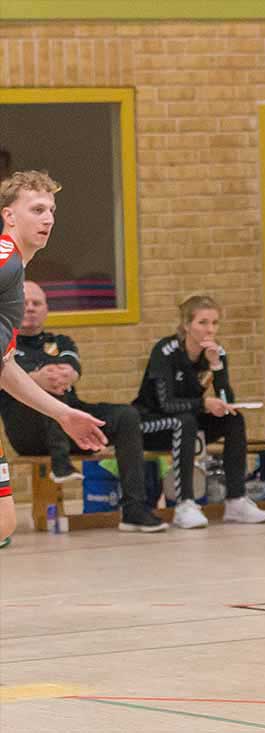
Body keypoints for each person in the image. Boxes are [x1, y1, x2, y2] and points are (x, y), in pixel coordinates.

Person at [0, 281, 167, 532]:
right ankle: (60, 464)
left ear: (47, 309)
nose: (30, 308)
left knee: (126, 416)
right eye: (24, 303)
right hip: (28, 430)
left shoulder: (61, 341)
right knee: (51, 394)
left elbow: (73, 367)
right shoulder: (5, 344)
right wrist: (36, 380)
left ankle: (134, 509)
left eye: (37, 303)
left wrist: (65, 376)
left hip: (69, 424)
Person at [0, 171, 108, 541]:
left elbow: (5, 370)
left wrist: (63, 414)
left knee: (3, 523)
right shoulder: (6, 259)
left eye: (52, 210)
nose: (48, 218)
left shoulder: (16, 271)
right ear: (9, 216)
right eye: (37, 209)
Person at [133, 295, 265, 529]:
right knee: (185, 421)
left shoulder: (216, 353)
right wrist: (204, 404)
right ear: (187, 325)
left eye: (215, 323)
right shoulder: (165, 352)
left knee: (233, 420)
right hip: (150, 422)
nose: (210, 330)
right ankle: (184, 504)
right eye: (203, 322)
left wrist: (217, 366)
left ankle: (236, 500)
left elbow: (228, 401)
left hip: (186, 422)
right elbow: (165, 403)